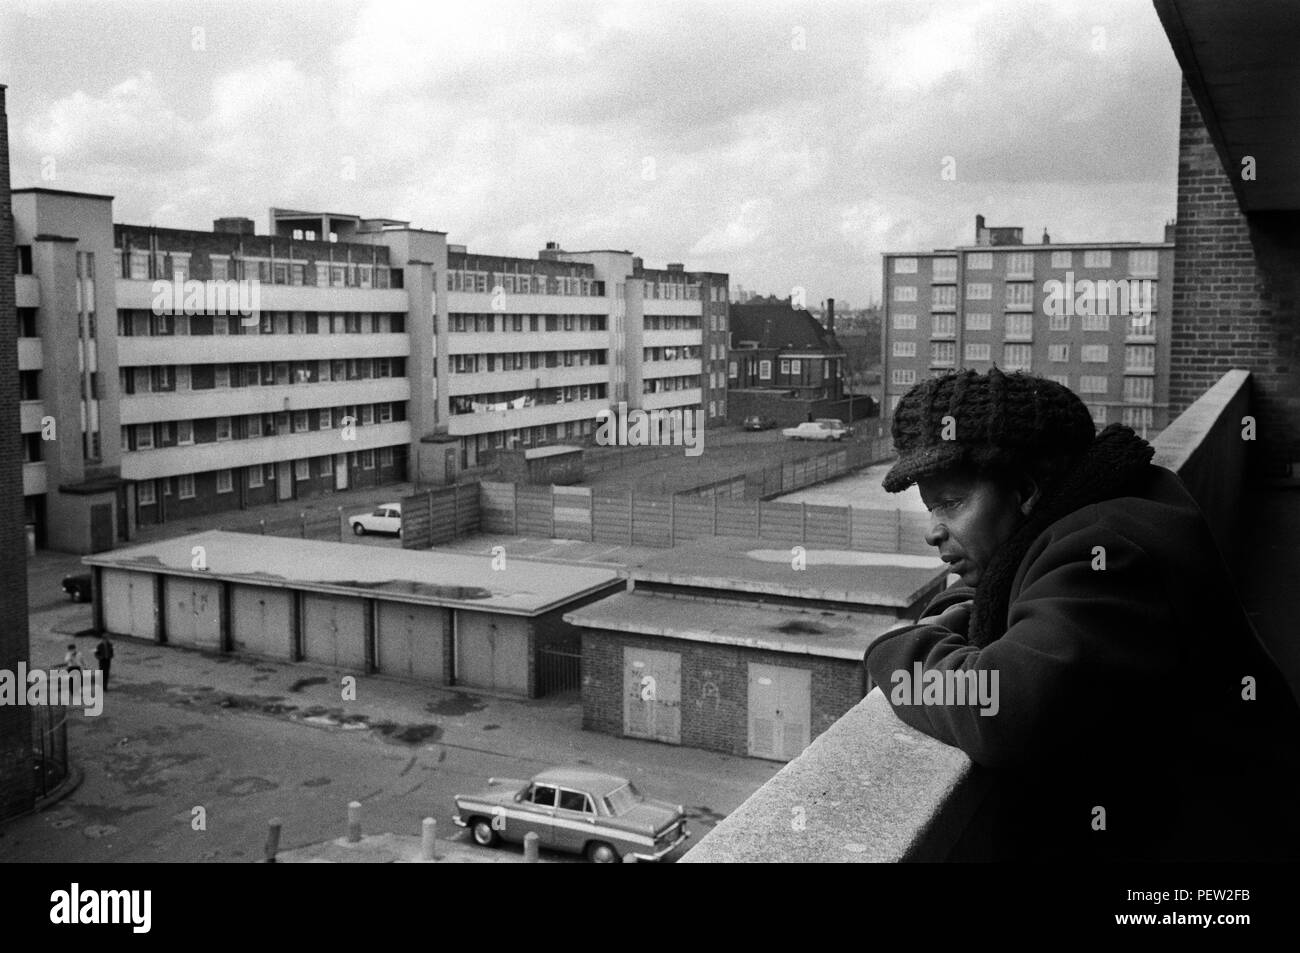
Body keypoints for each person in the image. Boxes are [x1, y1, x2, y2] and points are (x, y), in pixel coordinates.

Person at [863, 367, 1300, 861]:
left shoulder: (1105, 551)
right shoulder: (1093, 514)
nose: (933, 531)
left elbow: (999, 708)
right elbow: (1005, 602)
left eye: (951, 502)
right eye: (930, 507)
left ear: (1025, 490)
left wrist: (899, 647)